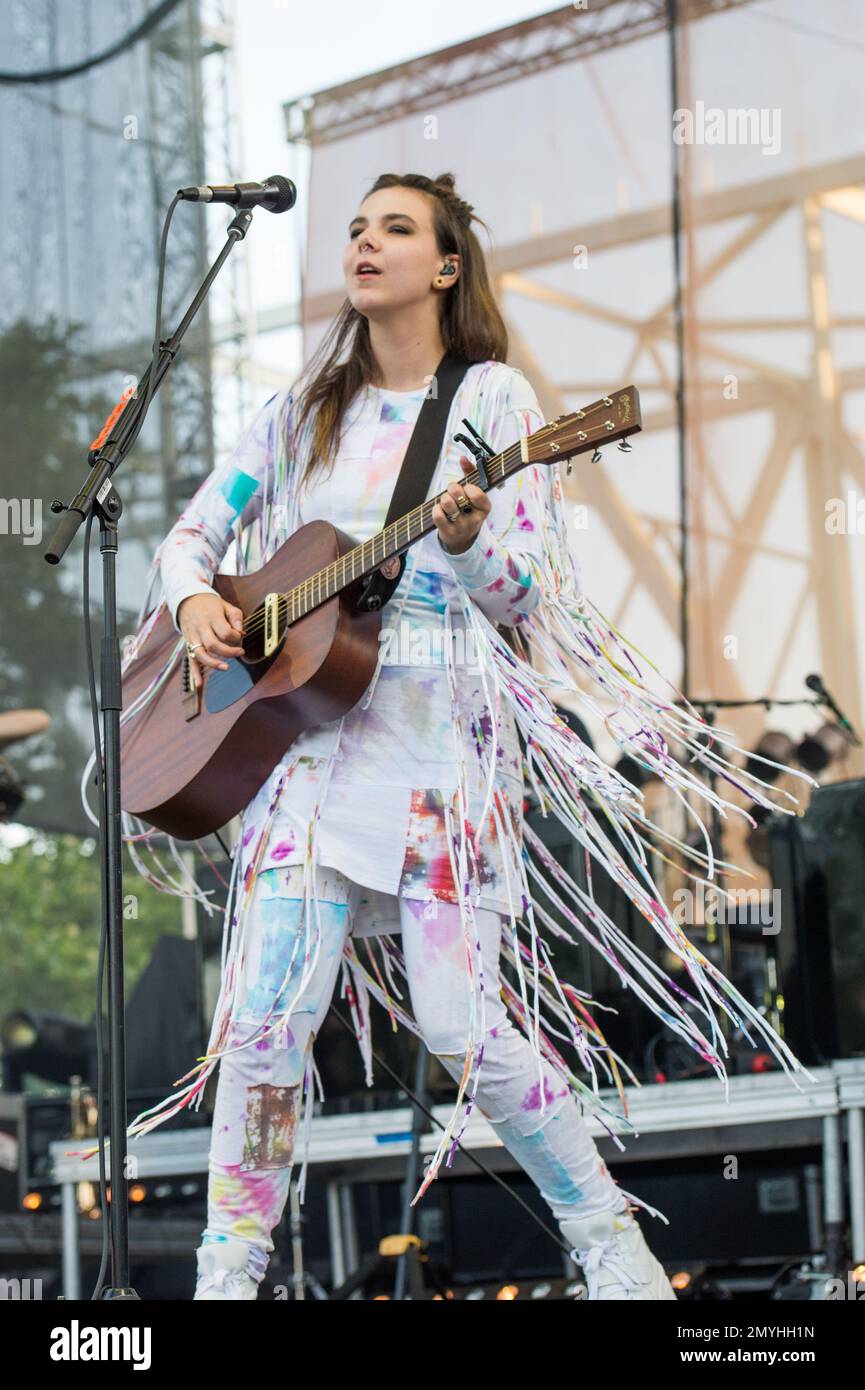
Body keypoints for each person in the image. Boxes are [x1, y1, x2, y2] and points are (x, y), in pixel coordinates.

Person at [109, 172, 816, 1301]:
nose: (365, 241)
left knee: (461, 1024)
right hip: (298, 753)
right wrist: (196, 597)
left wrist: (473, 541)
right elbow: (192, 535)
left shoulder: (493, 400)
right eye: (355, 227)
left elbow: (526, 596)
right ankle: (227, 1276)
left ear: (445, 266)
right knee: (258, 1029)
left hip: (437, 746)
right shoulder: (300, 409)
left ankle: (611, 1251)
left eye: (394, 228)